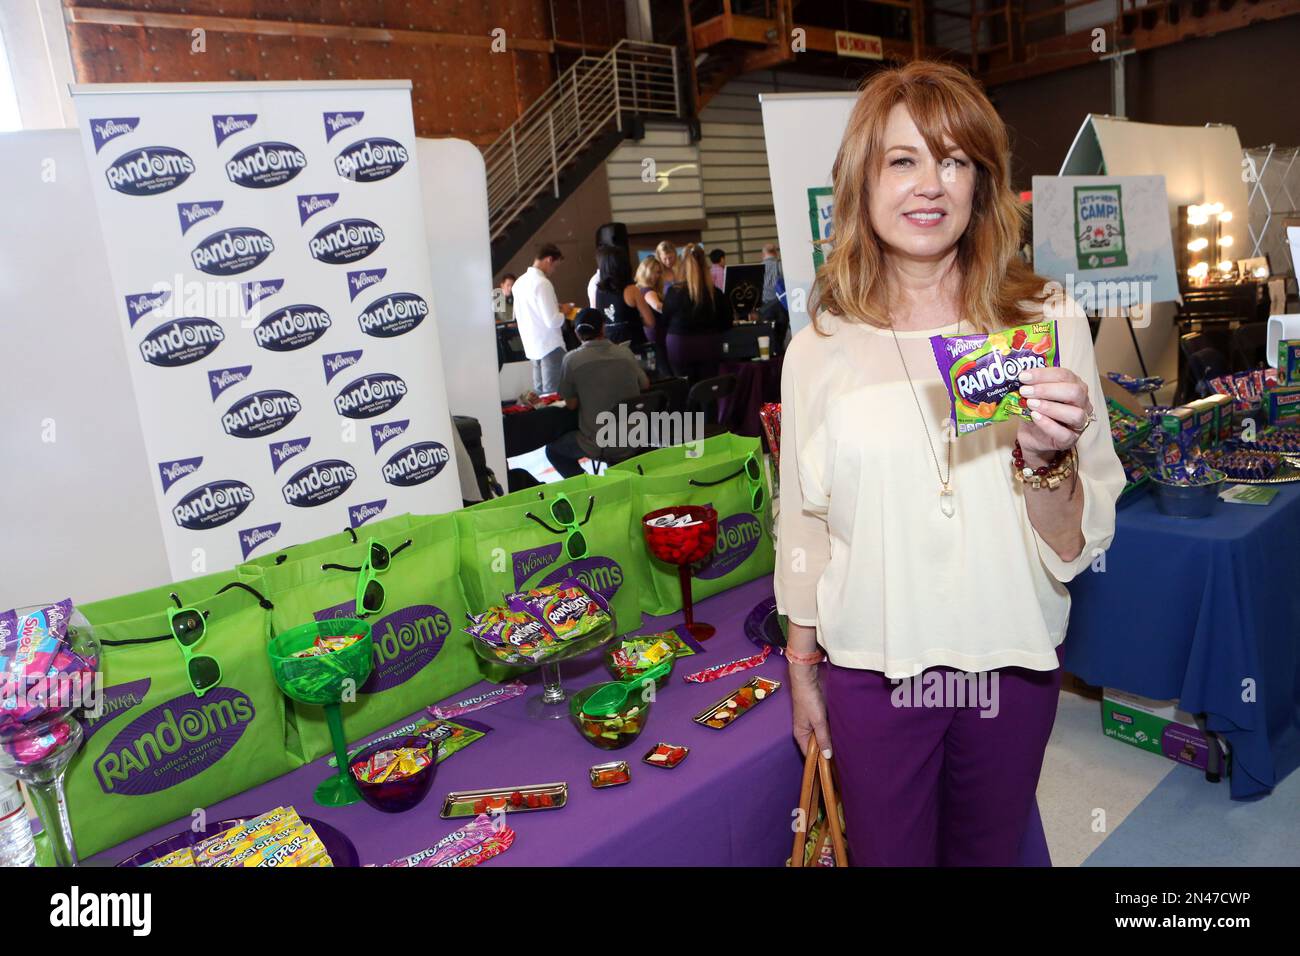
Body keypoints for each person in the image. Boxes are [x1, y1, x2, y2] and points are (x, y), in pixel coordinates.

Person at [775, 60, 1125, 867]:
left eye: (955, 159)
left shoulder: (1046, 321)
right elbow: (804, 520)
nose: (930, 184)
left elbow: (1077, 540)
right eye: (903, 160)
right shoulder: (819, 348)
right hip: (874, 668)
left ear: (981, 183)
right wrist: (803, 665)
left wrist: (1045, 462)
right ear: (861, 183)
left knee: (990, 853)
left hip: (1009, 657)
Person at [545, 309, 648, 478]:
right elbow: (645, 384)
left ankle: (589, 486)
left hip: (599, 443)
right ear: (603, 328)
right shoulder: (625, 353)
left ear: (577, 333)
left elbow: (571, 404)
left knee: (553, 451)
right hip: (634, 437)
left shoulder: (571, 360)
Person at [661, 243, 733, 382]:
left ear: (682, 265)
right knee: (709, 392)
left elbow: (665, 321)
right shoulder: (715, 294)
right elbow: (727, 323)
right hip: (709, 345)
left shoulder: (673, 292)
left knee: (685, 392)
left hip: (679, 345)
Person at [510, 243, 571, 394]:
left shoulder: (518, 283)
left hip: (531, 346)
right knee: (554, 396)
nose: (553, 271)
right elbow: (553, 321)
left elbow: (521, 316)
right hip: (549, 346)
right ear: (549, 259)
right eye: (554, 266)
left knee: (540, 396)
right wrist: (565, 311)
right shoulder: (542, 283)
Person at [594, 244, 656, 350]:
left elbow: (600, 320)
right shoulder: (631, 290)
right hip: (633, 345)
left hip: (610, 346)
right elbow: (650, 321)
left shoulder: (599, 291)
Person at [636, 255, 672, 375]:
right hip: (657, 334)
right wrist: (674, 312)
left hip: (651, 334)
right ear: (647, 272)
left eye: (660, 272)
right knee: (665, 370)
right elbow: (657, 306)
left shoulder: (639, 289)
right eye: (656, 272)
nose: (658, 276)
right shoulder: (648, 291)